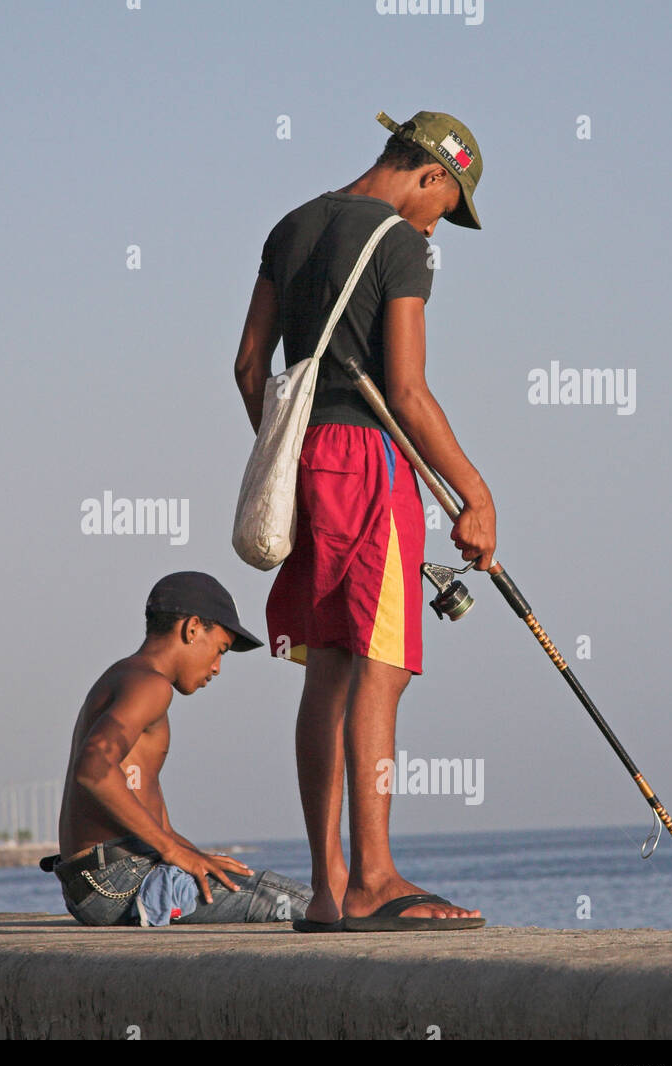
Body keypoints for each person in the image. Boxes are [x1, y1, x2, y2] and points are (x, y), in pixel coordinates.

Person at [231, 110, 497, 931]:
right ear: (431, 175)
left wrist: (288, 461)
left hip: (303, 455)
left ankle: (328, 888)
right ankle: (376, 878)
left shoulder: (290, 226)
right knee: (381, 666)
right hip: (369, 461)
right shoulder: (401, 244)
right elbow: (409, 392)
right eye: (445, 206)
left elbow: (249, 366)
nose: (438, 224)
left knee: (330, 672)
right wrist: (475, 495)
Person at [42, 571, 314, 926]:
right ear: (191, 629)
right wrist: (173, 852)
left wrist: (194, 854)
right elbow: (93, 769)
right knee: (303, 904)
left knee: (245, 881)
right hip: (120, 881)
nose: (216, 668)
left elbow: (152, 818)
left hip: (95, 881)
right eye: (220, 649)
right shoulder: (150, 685)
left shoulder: (122, 676)